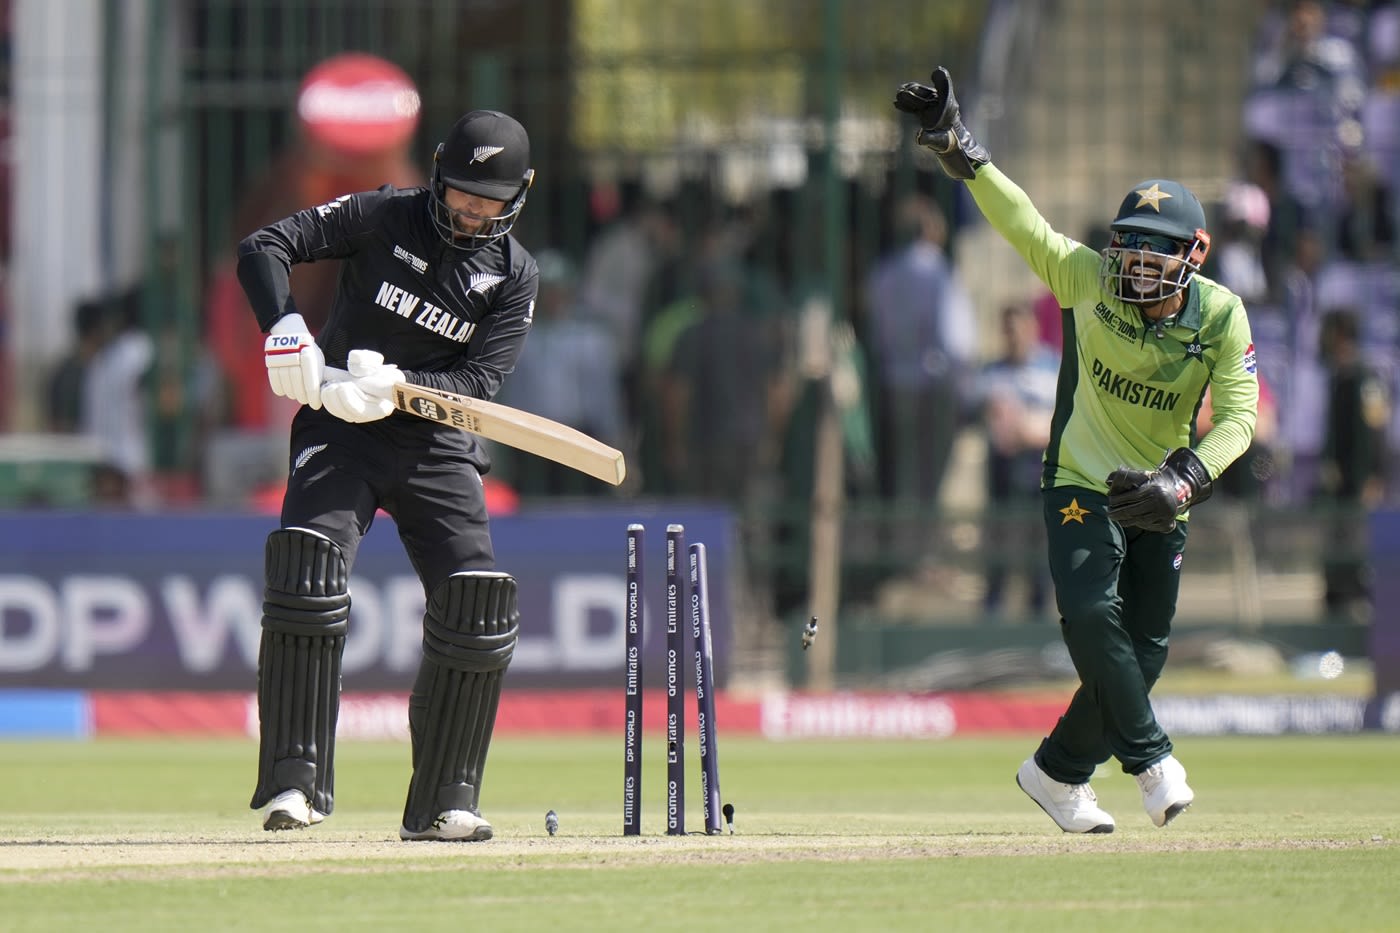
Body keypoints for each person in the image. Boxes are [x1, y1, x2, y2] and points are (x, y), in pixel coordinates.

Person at [895, 68, 1259, 833]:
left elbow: (1240, 417)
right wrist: (960, 149)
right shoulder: (1086, 279)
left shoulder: (1223, 316)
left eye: (1158, 251)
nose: (1138, 263)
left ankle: (1057, 771)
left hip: (1161, 493)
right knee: (1094, 615)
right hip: (1079, 481)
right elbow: (1025, 223)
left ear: (1195, 254)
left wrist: (1185, 479)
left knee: (1144, 653)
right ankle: (1151, 761)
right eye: (1131, 245)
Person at [236, 108, 539, 842]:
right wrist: (286, 329)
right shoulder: (384, 215)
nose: (470, 211)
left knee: (477, 600)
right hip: (340, 424)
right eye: (460, 191)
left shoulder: (514, 274)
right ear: (436, 172)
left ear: (519, 194)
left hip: (436, 443)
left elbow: (481, 382)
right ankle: (294, 783)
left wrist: (401, 387)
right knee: (307, 566)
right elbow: (265, 247)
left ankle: (445, 801)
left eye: (488, 200)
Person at [978, 300, 1060, 620]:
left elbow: (1065, 416)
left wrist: (1031, 428)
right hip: (1004, 468)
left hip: (1041, 465)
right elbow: (983, 410)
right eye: (1008, 330)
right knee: (1000, 538)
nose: (1014, 336)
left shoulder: (1053, 367)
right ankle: (994, 606)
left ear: (1033, 328)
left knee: (1039, 542)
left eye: (1019, 328)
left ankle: (1038, 610)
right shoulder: (993, 372)